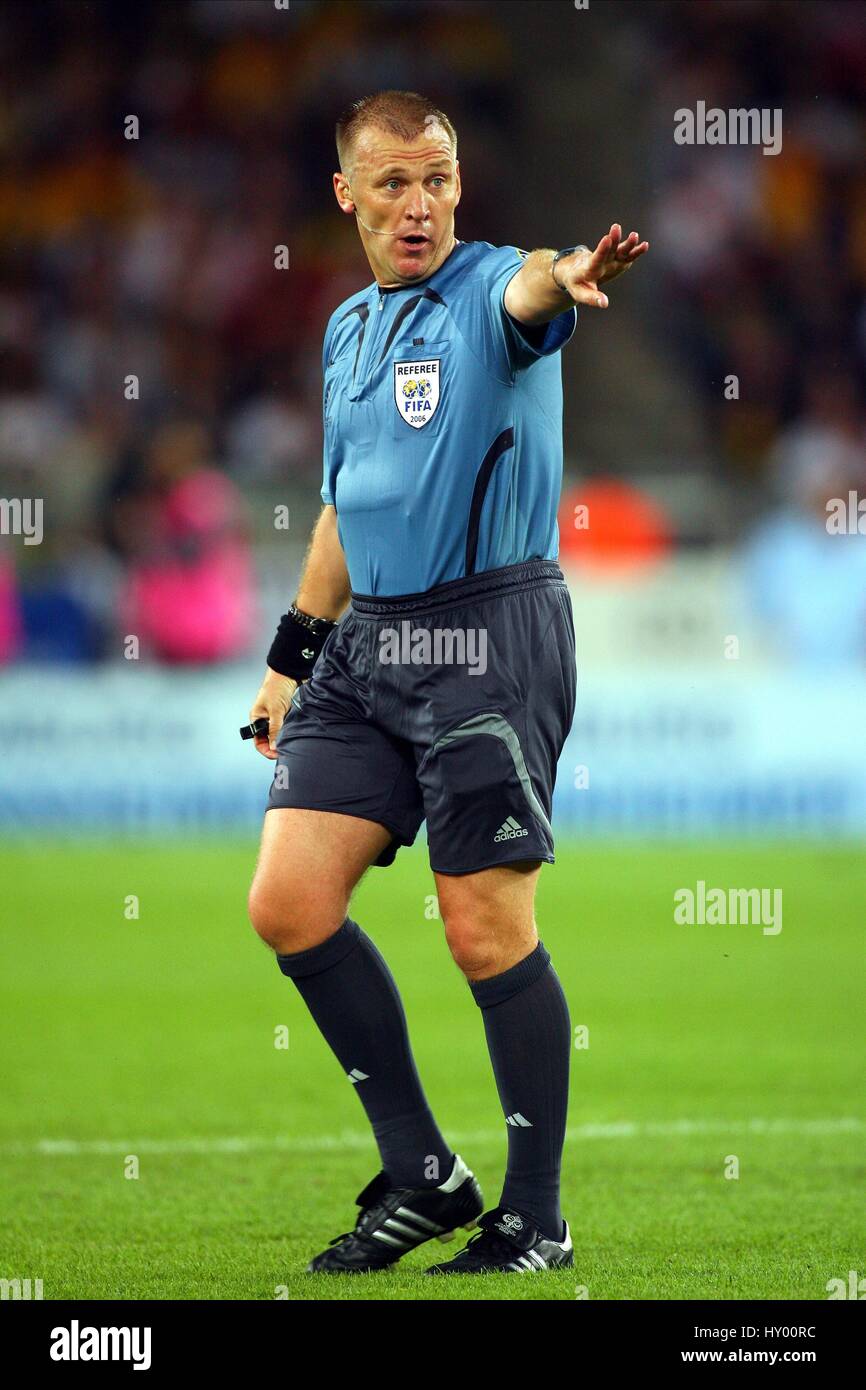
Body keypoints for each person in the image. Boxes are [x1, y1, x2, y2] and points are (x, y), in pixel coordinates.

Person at [246, 90, 647, 1275]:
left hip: (485, 635)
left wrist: (557, 275)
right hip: (370, 644)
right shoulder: (347, 329)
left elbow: (531, 287)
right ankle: (424, 1171)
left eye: (434, 180)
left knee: (482, 929)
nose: (415, 205)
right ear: (347, 195)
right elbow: (344, 501)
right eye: (391, 184)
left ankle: (533, 1213)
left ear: (457, 185)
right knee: (288, 903)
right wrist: (289, 656)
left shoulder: (491, 291)